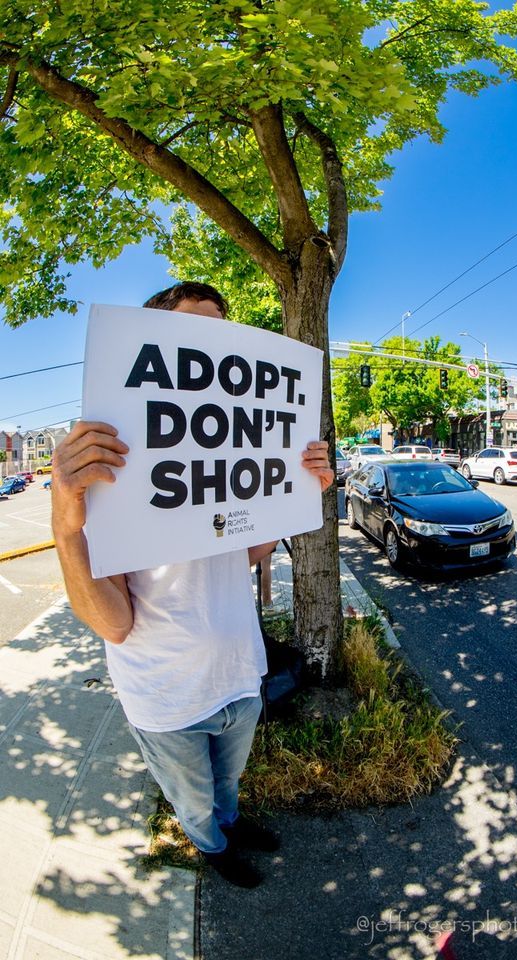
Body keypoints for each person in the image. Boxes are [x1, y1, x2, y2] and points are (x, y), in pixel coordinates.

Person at [52, 281, 334, 888]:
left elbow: (246, 555)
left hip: (240, 678)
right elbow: (112, 622)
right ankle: (211, 847)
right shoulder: (116, 474)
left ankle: (228, 823)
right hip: (167, 699)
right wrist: (65, 518)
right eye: (194, 334)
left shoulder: (230, 469)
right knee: (194, 796)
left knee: (228, 784)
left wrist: (303, 494)